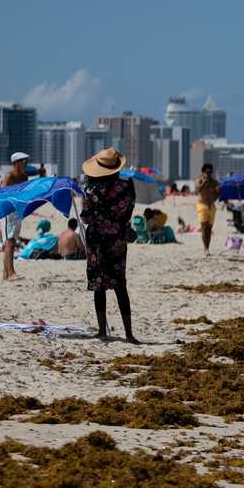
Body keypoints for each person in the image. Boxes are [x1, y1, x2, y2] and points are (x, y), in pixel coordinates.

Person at [81, 147, 138, 343]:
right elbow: (128, 213)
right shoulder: (127, 187)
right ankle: (129, 333)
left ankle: (102, 330)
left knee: (99, 284)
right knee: (120, 285)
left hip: (96, 240)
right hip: (117, 240)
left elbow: (86, 217)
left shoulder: (90, 189)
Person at [1, 152, 30, 281]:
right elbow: (2, 195)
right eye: (23, 161)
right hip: (8, 211)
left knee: (11, 241)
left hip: (18, 211)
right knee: (10, 242)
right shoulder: (9, 177)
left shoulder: (24, 176)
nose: (25, 164)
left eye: (26, 162)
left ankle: (5, 274)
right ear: (16, 163)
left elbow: (26, 194)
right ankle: (11, 273)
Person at [196, 164, 220, 255]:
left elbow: (218, 193)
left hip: (212, 206)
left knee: (209, 229)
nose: (209, 174)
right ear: (203, 172)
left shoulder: (214, 182)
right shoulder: (199, 180)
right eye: (207, 172)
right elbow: (198, 189)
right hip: (202, 205)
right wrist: (205, 182)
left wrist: (215, 196)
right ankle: (205, 248)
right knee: (204, 227)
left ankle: (208, 247)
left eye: (210, 172)